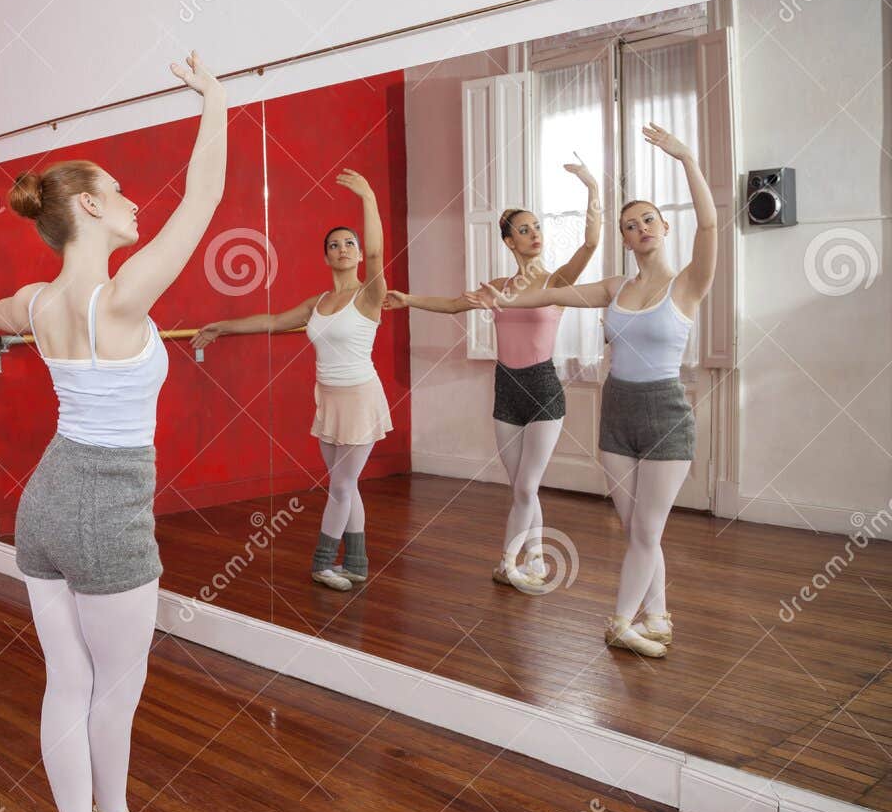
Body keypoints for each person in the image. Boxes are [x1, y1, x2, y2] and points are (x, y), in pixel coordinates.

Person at [0, 52, 226, 812]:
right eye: (122, 189)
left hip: (45, 501)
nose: (138, 201)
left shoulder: (36, 301)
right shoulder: (122, 297)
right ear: (92, 208)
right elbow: (204, 199)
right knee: (117, 686)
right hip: (106, 509)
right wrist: (214, 100)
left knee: (68, 681)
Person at [467, 125, 714, 658]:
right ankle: (658, 616)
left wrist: (687, 159)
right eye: (630, 225)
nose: (640, 227)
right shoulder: (614, 289)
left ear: (665, 226)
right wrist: (498, 299)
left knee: (646, 530)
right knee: (635, 529)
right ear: (624, 239)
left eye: (648, 218)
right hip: (616, 413)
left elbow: (711, 224)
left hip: (667, 412)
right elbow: (551, 291)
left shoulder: (688, 283)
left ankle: (621, 621)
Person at [384, 155, 600, 588]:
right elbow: (451, 306)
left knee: (524, 487)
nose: (534, 234)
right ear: (509, 241)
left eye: (536, 227)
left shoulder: (556, 282)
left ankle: (508, 562)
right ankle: (537, 560)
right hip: (506, 387)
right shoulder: (498, 289)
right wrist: (407, 299)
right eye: (523, 230)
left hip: (543, 388)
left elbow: (591, 244)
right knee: (523, 486)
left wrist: (592, 187)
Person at [193, 171, 392, 590]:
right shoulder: (317, 303)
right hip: (329, 398)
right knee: (347, 485)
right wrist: (222, 327)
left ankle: (322, 563)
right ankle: (356, 562)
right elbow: (271, 321)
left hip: (359, 399)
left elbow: (377, 256)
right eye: (334, 245)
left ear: (358, 255)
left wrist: (369, 197)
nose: (342, 249)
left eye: (349, 244)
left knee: (339, 487)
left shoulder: (370, 293)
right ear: (326, 257)